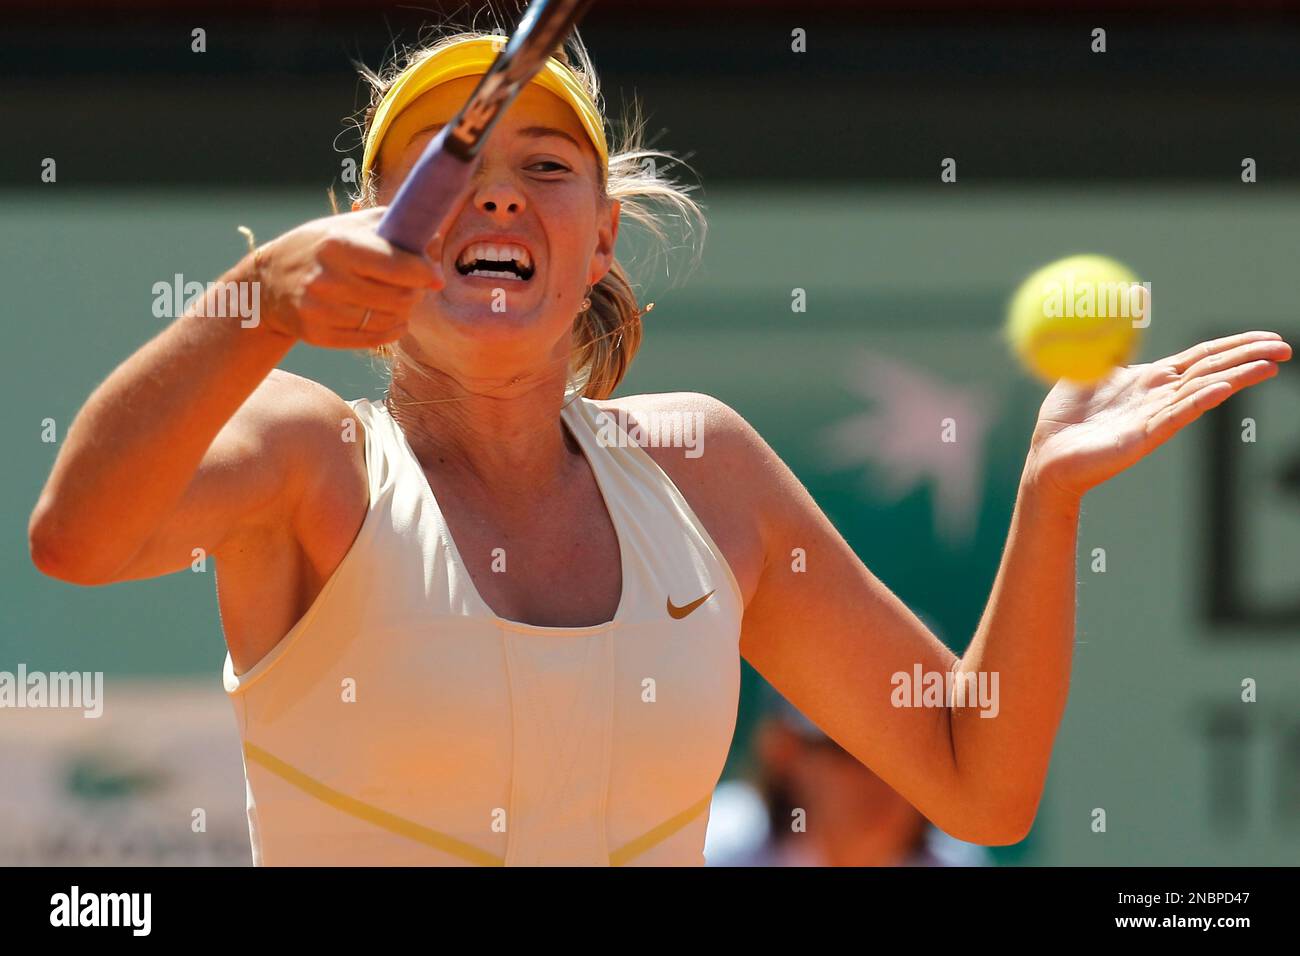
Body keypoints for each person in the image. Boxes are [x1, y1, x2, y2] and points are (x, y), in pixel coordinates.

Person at [27, 29, 1292, 866]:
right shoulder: (306, 457)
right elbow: (76, 534)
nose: (501, 190)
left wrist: (1048, 497)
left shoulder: (706, 471)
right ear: (378, 230)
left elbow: (976, 778)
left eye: (545, 162)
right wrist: (253, 295)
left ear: (602, 240)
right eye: (450, 164)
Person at [705, 696, 992, 866]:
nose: (886, 777)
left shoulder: (959, 860)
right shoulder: (711, 850)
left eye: (910, 755)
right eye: (853, 751)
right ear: (785, 751)